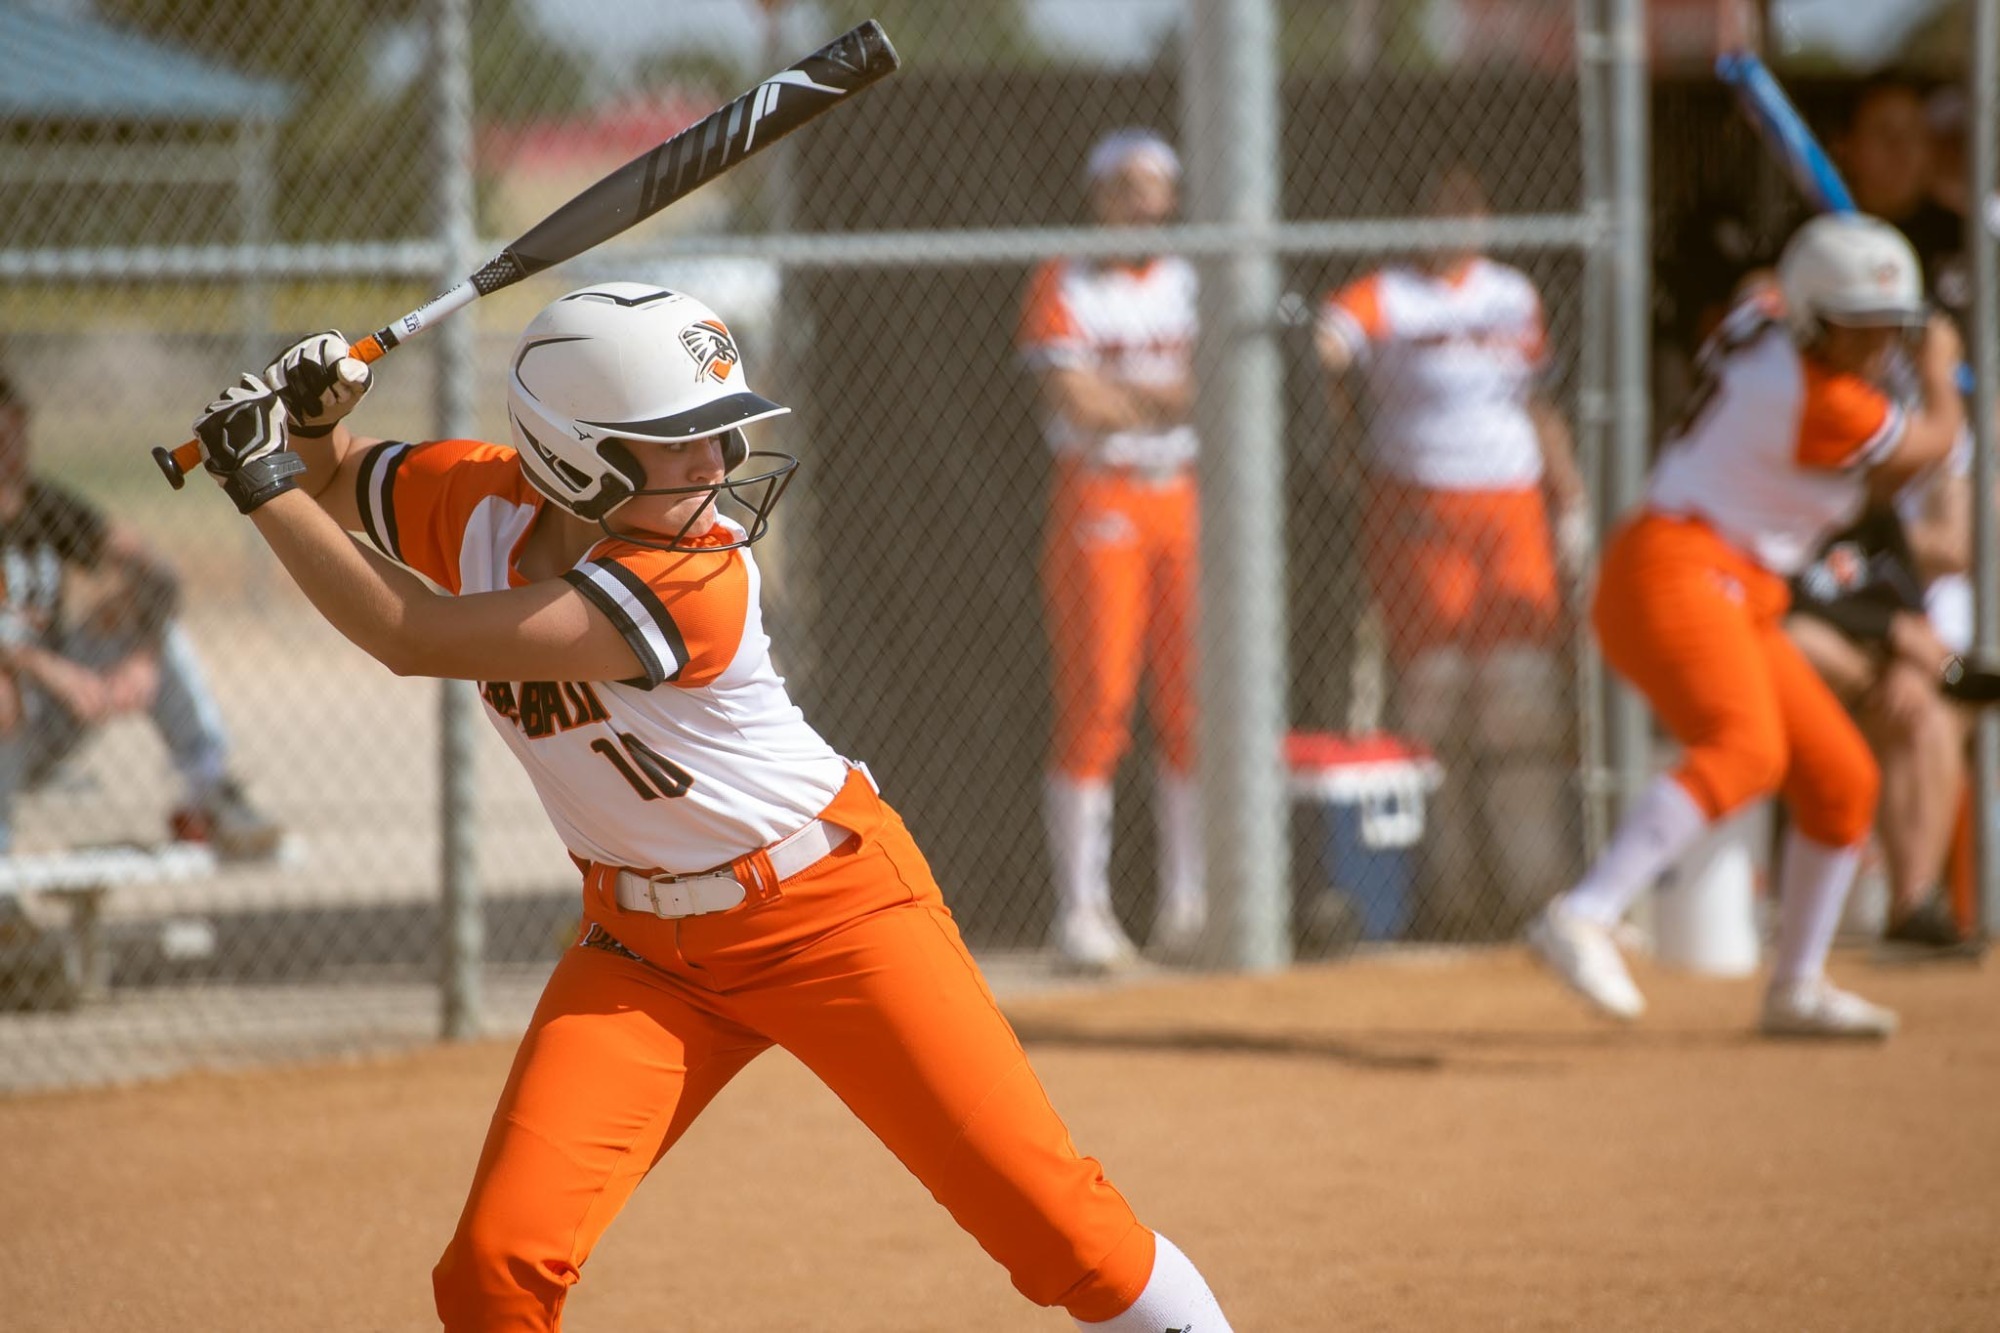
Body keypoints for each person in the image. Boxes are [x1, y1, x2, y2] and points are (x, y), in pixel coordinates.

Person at [185, 286, 1235, 1332]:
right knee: (494, 1270)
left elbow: (411, 634)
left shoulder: (696, 571)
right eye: (678, 441)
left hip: (828, 914)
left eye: (721, 433)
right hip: (640, 950)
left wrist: (261, 474)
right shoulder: (471, 501)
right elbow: (333, 482)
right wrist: (310, 431)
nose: (717, 464)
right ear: (575, 457)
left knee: (1058, 1232)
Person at [1526, 214, 1965, 1038]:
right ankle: (1585, 913)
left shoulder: (1763, 319)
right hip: (1675, 569)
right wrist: (1938, 370)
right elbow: (1931, 445)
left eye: (1886, 331)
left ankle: (1795, 985)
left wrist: (1856, 291)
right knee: (1747, 747)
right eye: (1855, 329)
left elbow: (1761, 288)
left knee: (1840, 779)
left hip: (1739, 583)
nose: (1874, 348)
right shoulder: (1816, 396)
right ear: (1810, 321)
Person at [1316, 164, 1587, 939]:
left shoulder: (1511, 292)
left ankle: (1538, 888)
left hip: (1510, 506)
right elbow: (1323, 348)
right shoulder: (1389, 294)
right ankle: (1452, 889)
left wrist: (1570, 498)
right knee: (1436, 696)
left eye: (1469, 207)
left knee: (1520, 693)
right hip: (1416, 505)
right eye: (1439, 208)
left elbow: (1539, 401)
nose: (1456, 221)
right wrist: (1343, 435)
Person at [1018, 128, 1205, 969]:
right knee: (1098, 700)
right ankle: (1083, 912)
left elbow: (1218, 387)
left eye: (1158, 186)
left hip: (1185, 498)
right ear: (1098, 195)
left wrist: (1133, 394)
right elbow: (1075, 398)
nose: (1144, 202)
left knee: (1191, 706)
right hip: (1100, 494)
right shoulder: (1066, 277)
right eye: (1128, 186)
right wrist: (1163, 400)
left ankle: (1189, 902)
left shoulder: (1194, 276)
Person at [0, 366, 280, 859]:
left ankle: (209, 791)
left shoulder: (44, 504)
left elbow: (157, 576)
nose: (13, 443)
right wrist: (49, 670)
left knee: (139, 620)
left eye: (18, 426)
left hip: (51, 709)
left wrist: (143, 656)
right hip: (19, 702)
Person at [1786, 441, 1981, 953]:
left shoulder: (1883, 523)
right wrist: (1891, 636)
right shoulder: (1794, 513)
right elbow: (1790, 602)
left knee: (1935, 716)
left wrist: (1914, 668)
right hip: (1819, 678)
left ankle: (1914, 906)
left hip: (1885, 682)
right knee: (1804, 641)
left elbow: (1923, 632)